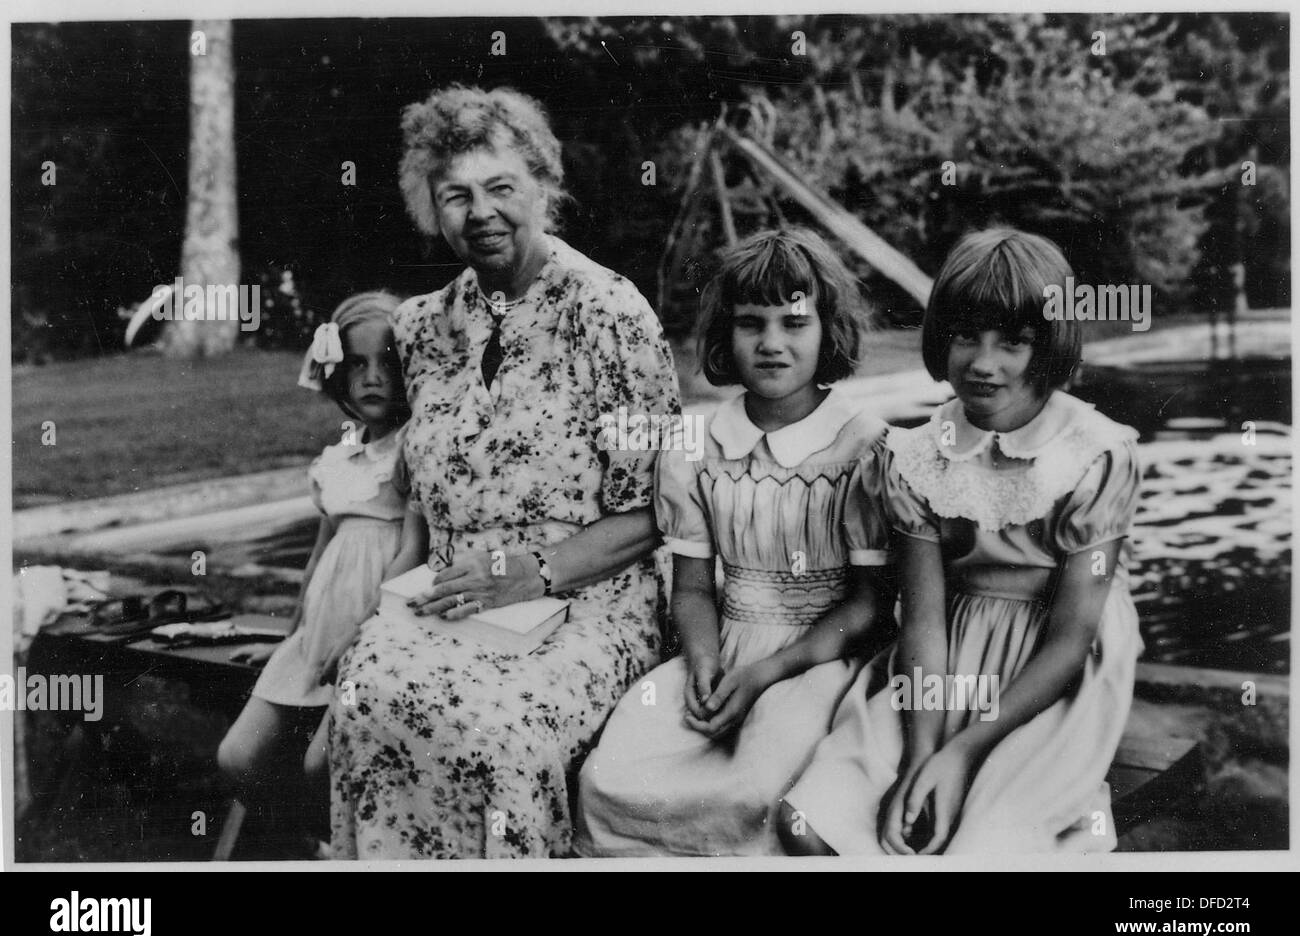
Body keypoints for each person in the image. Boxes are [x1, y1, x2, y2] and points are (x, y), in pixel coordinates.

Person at [328, 85, 681, 859]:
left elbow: (659, 511)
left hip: (587, 606)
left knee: (498, 732)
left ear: (543, 187)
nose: (479, 212)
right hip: (451, 602)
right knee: (364, 703)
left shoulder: (609, 313)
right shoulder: (421, 326)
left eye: (500, 188)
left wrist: (537, 572)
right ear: (432, 208)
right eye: (456, 196)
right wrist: (379, 614)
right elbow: (420, 497)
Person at [779, 227, 1144, 855]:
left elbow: (1072, 638)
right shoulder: (915, 456)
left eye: (1013, 342)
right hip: (941, 661)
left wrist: (964, 753)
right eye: (965, 335)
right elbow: (923, 618)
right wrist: (923, 757)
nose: (982, 362)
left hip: (1052, 669)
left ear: (1050, 343)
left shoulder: (1098, 454)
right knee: (811, 824)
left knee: (987, 847)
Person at [576, 228, 896, 856]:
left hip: (821, 658)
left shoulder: (862, 444)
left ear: (826, 330)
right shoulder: (698, 443)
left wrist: (772, 672)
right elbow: (692, 589)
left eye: (794, 324)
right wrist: (702, 661)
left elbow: (869, 606)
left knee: (755, 791)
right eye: (751, 324)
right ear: (726, 336)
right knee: (610, 778)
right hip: (725, 647)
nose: (772, 344)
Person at [217, 292, 425, 847]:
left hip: (375, 635)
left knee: (320, 767)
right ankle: (318, 843)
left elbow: (411, 555)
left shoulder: (416, 449)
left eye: (389, 363)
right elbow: (318, 561)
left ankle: (348, 847)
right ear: (337, 373)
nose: (374, 377)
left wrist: (363, 639)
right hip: (317, 638)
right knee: (238, 758)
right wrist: (290, 641)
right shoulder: (335, 462)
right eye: (358, 364)